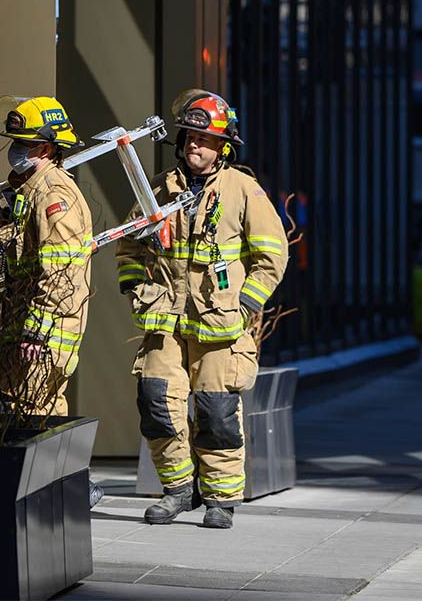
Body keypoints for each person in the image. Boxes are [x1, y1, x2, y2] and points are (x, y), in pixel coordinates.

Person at [116, 89, 288, 530]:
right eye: (189, 136)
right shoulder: (157, 189)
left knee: (215, 412)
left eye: (204, 138)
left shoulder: (243, 190)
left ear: (222, 146)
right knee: (156, 401)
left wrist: (248, 301)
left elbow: (272, 253)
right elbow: (129, 244)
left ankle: (219, 500)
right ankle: (176, 491)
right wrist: (135, 285)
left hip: (220, 325)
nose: (194, 144)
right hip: (165, 321)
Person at [0, 95, 103, 508]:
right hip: (28, 323)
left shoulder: (55, 194)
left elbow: (62, 273)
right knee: (36, 409)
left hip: (47, 327)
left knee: (35, 410)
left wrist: (37, 330)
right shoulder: (27, 190)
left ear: (44, 148)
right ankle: (66, 489)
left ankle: (71, 488)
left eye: (22, 143)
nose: (14, 150)